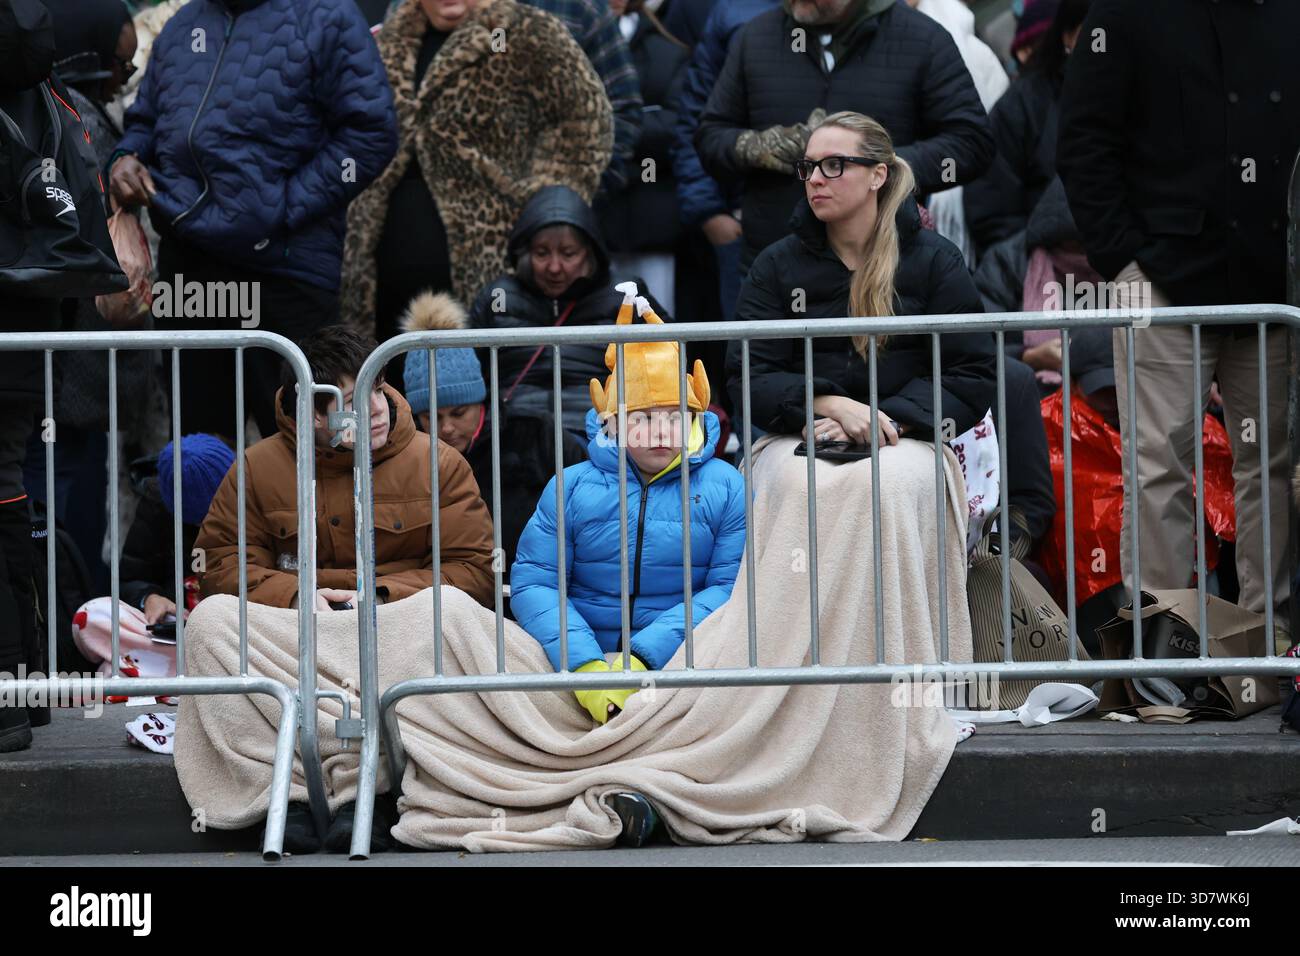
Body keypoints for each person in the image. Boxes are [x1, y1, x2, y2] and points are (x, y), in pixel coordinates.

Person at [1056, 0, 1297, 620]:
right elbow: (1083, 144)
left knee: (1268, 465)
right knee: (1159, 468)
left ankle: (1267, 644)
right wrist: (1125, 265)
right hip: (1160, 284)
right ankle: (1162, 649)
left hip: (1270, 284)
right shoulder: (1127, 13)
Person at [510, 291, 746, 846]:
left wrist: (643, 656)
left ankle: (644, 802)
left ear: (694, 414)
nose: (659, 430)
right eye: (642, 416)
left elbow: (728, 589)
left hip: (681, 660)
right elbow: (535, 580)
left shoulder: (725, 486)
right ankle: (606, 798)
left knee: (705, 711)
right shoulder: (569, 486)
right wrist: (588, 667)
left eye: (672, 415)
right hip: (579, 659)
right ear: (613, 419)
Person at [108, 0, 398, 441]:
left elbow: (371, 133)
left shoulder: (328, 16)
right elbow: (145, 119)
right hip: (190, 267)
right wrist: (125, 156)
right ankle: (201, 516)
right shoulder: (185, 25)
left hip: (284, 269)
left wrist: (284, 208)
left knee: (307, 443)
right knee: (198, 450)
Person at [337, 0, 614, 391]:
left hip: (487, 259)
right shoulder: (390, 37)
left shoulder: (528, 31)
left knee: (480, 399)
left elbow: (587, 122)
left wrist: (541, 210)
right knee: (389, 399)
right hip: (380, 274)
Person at [0, 0, 124, 752]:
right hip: (35, 326)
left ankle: (10, 696)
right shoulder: (49, 96)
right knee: (8, 490)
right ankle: (23, 687)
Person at [727, 111, 995, 444]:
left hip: (908, 435)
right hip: (802, 433)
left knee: (892, 480)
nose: (815, 179)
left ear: (877, 175)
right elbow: (749, 376)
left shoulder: (937, 260)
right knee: (797, 483)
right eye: (808, 166)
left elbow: (970, 372)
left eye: (835, 165)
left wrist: (888, 421)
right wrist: (832, 406)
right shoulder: (775, 265)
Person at [194, 325, 495, 612]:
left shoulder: (439, 462)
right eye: (355, 400)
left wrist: (378, 599)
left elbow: (475, 571)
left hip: (403, 626)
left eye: (377, 389)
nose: (378, 408)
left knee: (462, 615)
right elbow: (219, 565)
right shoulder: (255, 468)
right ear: (313, 414)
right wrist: (296, 598)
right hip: (293, 628)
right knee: (211, 617)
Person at [694, 0, 994, 273]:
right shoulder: (756, 37)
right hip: (776, 269)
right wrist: (758, 147)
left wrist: (874, 165)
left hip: (889, 266)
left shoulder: (922, 38)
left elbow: (971, 142)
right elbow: (710, 136)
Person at [401, 292, 588, 582]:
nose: (446, 428)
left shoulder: (535, 431)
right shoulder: (409, 454)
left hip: (543, 581)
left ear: (481, 402)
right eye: (432, 418)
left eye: (459, 413)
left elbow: (587, 498)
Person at [468, 185, 670, 441]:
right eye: (542, 253)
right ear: (525, 253)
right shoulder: (498, 296)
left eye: (568, 253)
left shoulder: (626, 294)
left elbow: (670, 360)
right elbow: (468, 378)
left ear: (590, 251)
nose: (554, 267)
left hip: (602, 436)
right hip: (512, 439)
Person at [69, 434, 236, 680]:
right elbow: (132, 576)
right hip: (178, 632)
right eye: (200, 519)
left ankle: (162, 672)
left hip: (236, 633)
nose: (208, 524)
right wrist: (149, 598)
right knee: (93, 616)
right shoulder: (157, 503)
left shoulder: (255, 504)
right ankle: (187, 672)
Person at [595, 0, 689, 315]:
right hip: (595, 219)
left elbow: (676, 127)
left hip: (653, 221)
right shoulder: (573, 45)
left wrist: (610, 126)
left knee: (657, 326)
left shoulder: (667, 50)